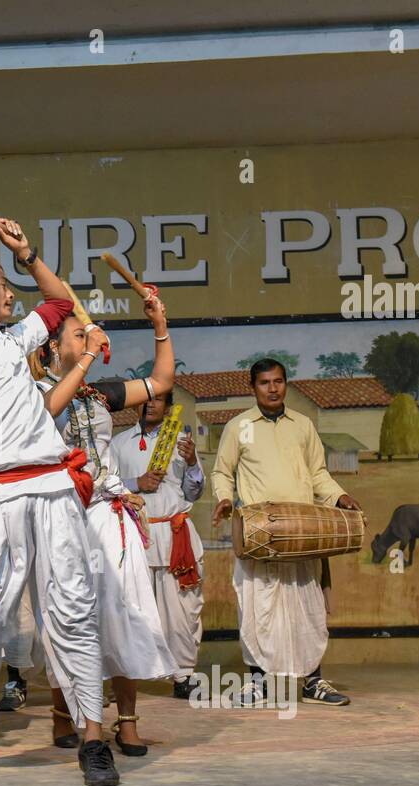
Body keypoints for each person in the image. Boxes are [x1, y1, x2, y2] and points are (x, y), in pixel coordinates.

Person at [0, 212, 120, 786]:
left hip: (51, 487)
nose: (15, 293)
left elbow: (62, 305)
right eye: (5, 286)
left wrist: (27, 252)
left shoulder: (15, 340)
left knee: (73, 609)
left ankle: (92, 735)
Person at [33, 287, 176, 756]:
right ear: (54, 345)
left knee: (123, 613)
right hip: (62, 516)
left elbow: (162, 379)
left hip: (108, 514)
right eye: (79, 332)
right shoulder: (31, 392)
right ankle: (64, 712)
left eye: (89, 332)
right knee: (69, 619)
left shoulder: (101, 393)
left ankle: (128, 720)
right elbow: (52, 409)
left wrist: (159, 324)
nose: (90, 336)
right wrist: (88, 357)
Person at [210, 358, 362, 706]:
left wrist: (339, 495)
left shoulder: (303, 426)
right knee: (257, 609)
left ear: (286, 384)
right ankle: (258, 684)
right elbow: (222, 472)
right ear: (253, 387)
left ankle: (313, 683)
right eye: (265, 383)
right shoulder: (239, 426)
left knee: (306, 608)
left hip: (302, 532)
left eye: (278, 381)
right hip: (259, 533)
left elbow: (319, 473)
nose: (273, 388)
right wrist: (223, 499)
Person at [109, 395, 206, 700]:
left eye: (158, 401)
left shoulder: (181, 442)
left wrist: (191, 462)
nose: (150, 406)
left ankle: (183, 675)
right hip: (134, 531)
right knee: (131, 608)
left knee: (181, 608)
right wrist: (137, 482)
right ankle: (128, 674)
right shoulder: (119, 443)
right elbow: (106, 484)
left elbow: (194, 490)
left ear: (168, 406)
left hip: (173, 532)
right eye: (144, 401)